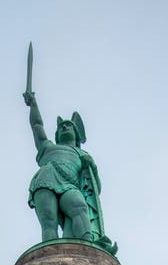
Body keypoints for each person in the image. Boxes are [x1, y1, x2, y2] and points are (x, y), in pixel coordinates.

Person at [23, 91, 113, 250]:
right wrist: (33, 104)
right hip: (46, 179)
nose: (64, 126)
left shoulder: (82, 154)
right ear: (57, 135)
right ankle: (51, 255)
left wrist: (92, 166)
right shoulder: (47, 147)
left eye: (68, 125)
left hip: (70, 185)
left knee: (80, 207)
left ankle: (88, 247)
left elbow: (95, 188)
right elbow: (37, 126)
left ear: (76, 135)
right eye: (61, 126)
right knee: (48, 222)